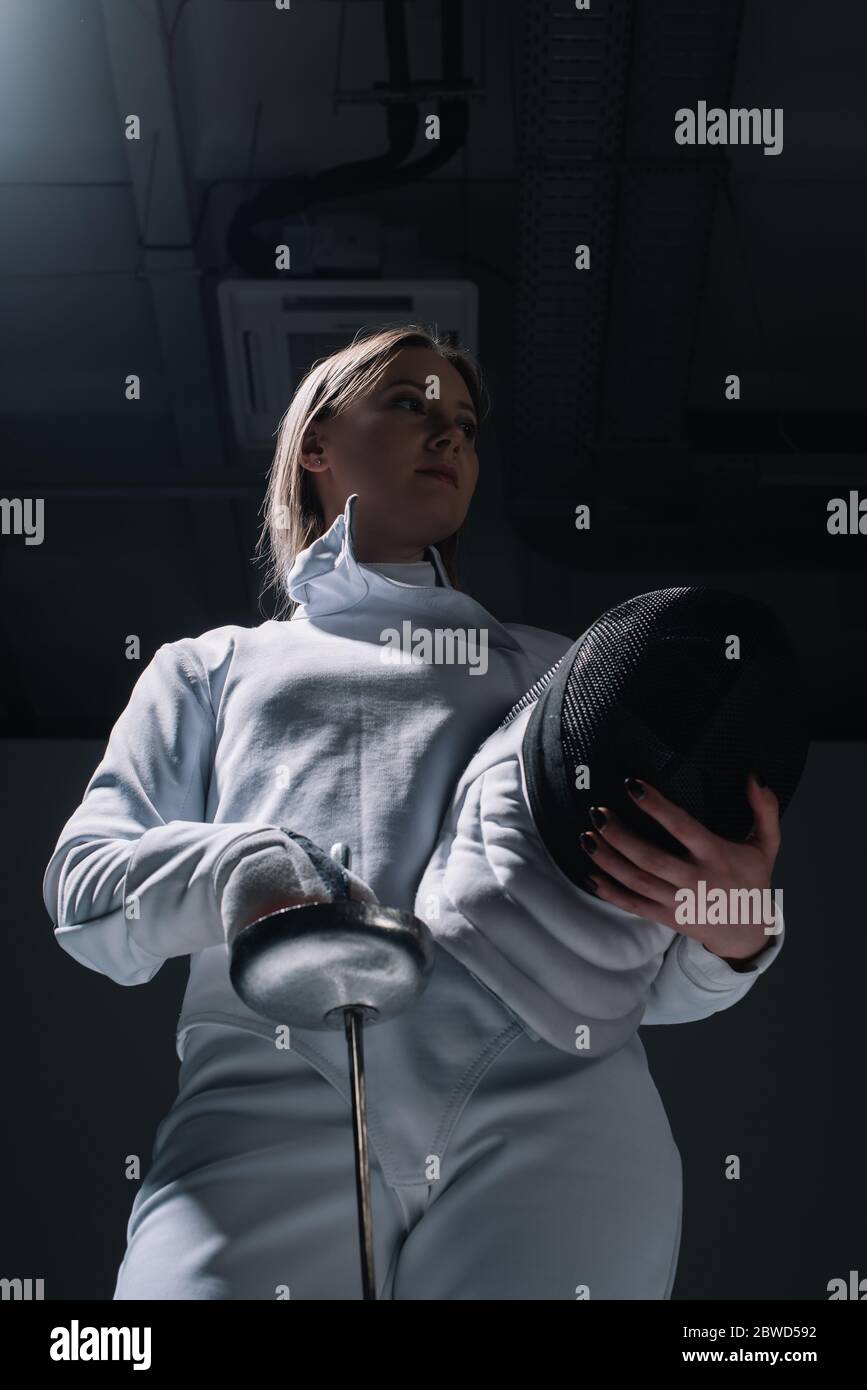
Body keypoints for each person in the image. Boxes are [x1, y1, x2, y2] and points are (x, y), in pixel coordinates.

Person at [42, 324, 785, 1300]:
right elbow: (86, 892)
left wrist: (735, 920)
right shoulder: (213, 667)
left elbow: (669, 978)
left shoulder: (565, 672)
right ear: (315, 441)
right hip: (272, 1090)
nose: (449, 438)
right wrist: (242, 870)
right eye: (410, 403)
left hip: (557, 1102)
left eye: (467, 425)